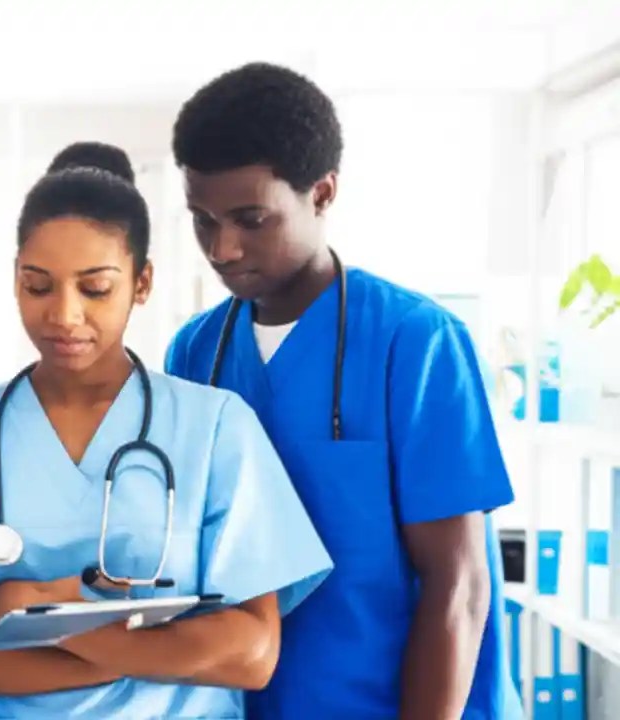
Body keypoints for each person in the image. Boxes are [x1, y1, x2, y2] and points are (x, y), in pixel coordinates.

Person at [0, 151, 332, 719]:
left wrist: (43, 614)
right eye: (38, 286)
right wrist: (152, 653)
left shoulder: (215, 427)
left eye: (95, 288)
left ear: (141, 283)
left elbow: (252, 652)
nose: (64, 315)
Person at [164, 62, 519, 719]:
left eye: (250, 218)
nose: (223, 247)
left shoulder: (415, 341)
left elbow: (459, 584)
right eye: (203, 220)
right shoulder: (196, 353)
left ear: (322, 193)